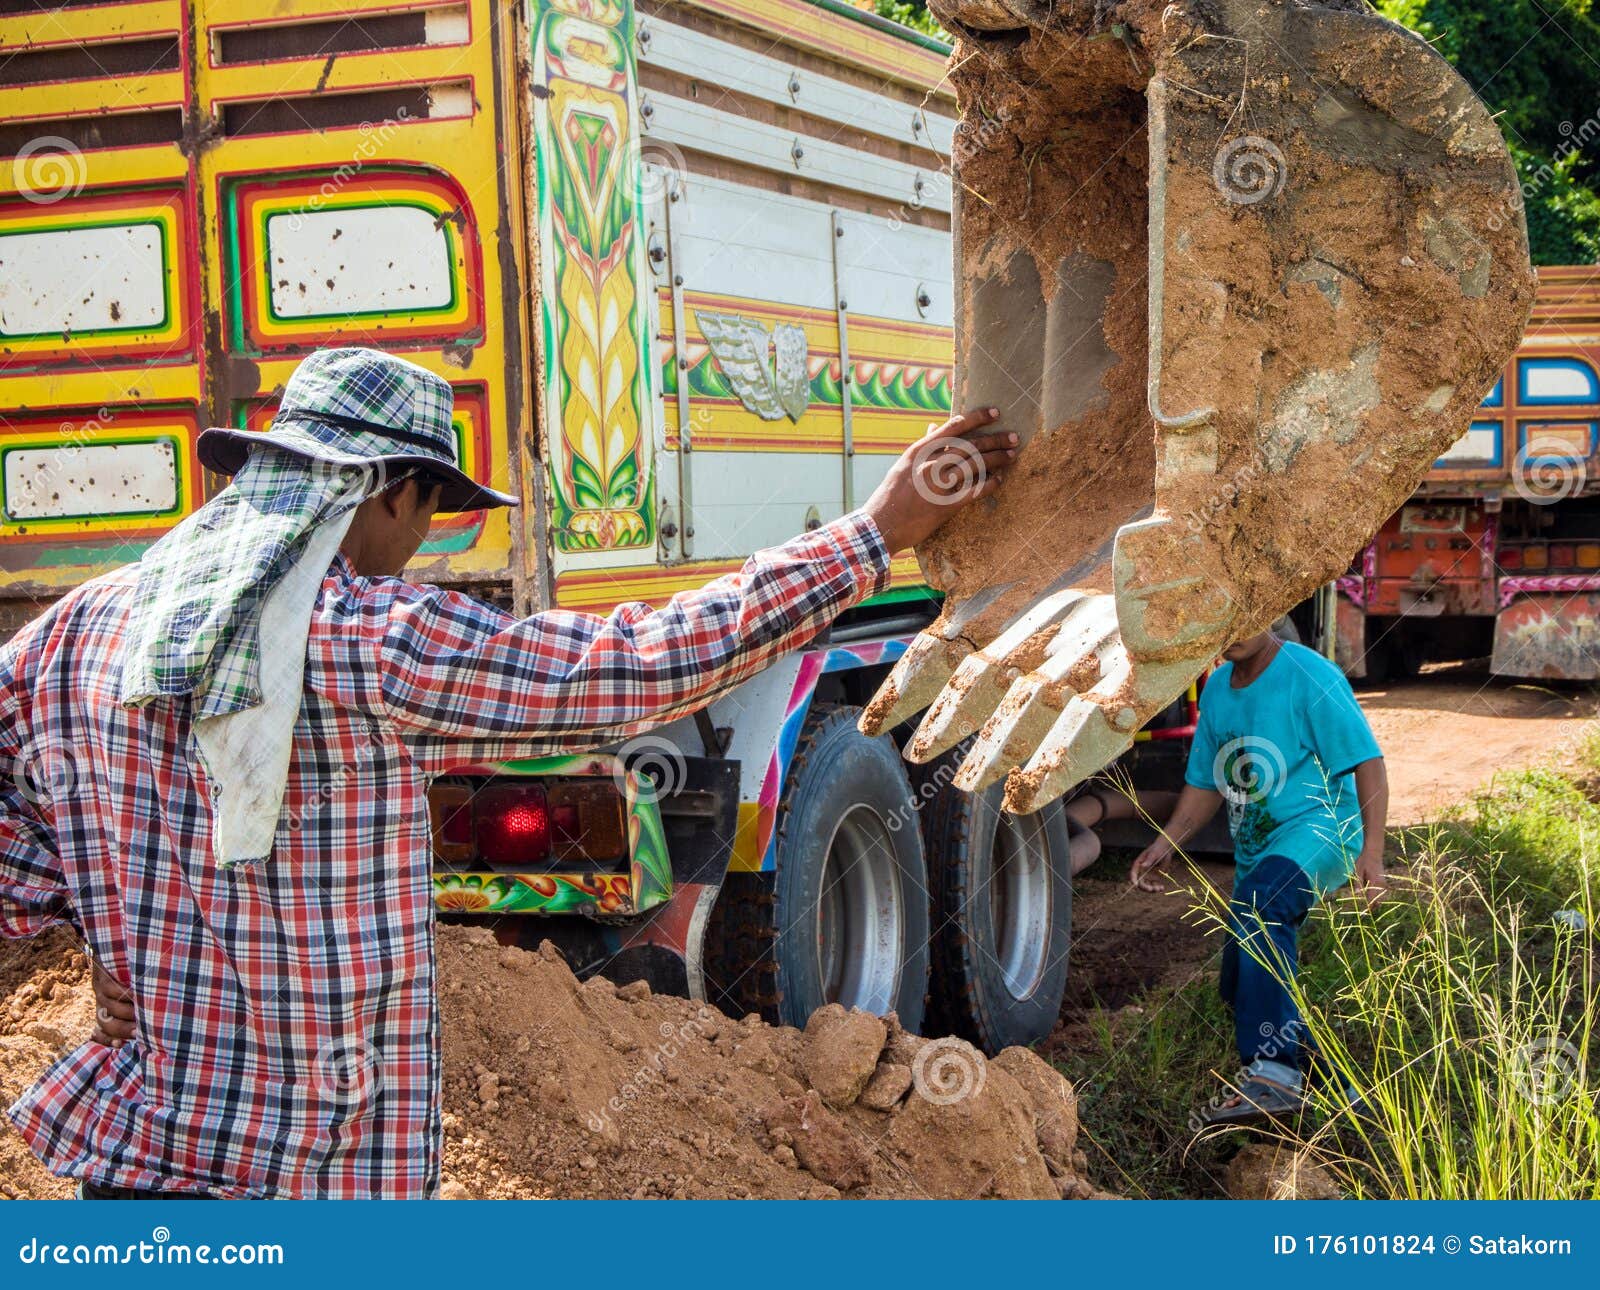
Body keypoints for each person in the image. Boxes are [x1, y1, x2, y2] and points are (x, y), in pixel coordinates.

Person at [0, 347, 1017, 1199]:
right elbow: (635, 666)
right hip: (301, 1170)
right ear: (395, 489)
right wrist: (873, 534)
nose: (416, 547)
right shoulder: (367, 637)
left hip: (135, 1166)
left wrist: (115, 937)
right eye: (428, 515)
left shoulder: (69, 639)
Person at [1128, 628, 1387, 1124]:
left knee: (1261, 906)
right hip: (1261, 853)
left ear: (1271, 606)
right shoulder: (1219, 688)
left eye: (1248, 616)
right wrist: (1165, 844)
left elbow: (1367, 762)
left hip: (1323, 831)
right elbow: (1205, 784)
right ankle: (1337, 1091)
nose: (1235, 631)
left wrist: (1372, 852)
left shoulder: (1309, 674)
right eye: (1222, 620)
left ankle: (1273, 1075)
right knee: (1240, 982)